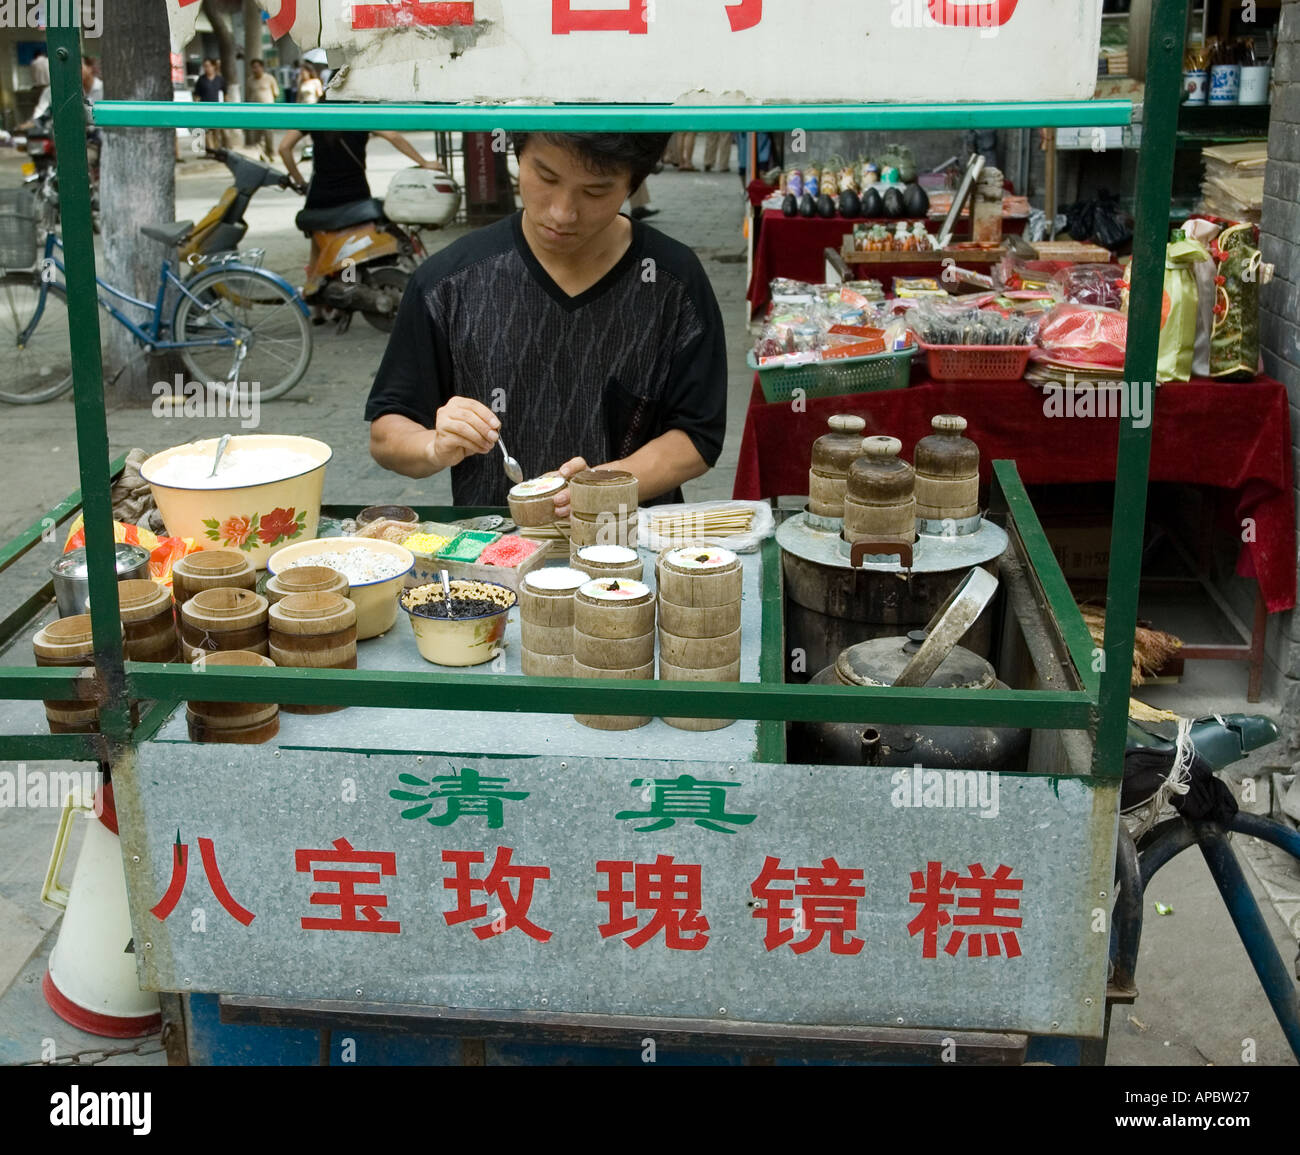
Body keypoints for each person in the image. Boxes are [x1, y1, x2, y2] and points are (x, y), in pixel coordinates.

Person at [364, 132, 727, 512]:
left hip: (629, 548)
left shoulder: (672, 280)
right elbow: (388, 432)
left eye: (595, 192)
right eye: (547, 178)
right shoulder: (448, 282)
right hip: (494, 550)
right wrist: (433, 445)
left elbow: (697, 435)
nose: (562, 213)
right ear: (518, 157)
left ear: (632, 186)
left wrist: (605, 485)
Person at [278, 125, 442, 312]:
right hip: (356, 195)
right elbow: (393, 135)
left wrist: (300, 182)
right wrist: (424, 162)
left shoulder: (315, 111)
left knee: (322, 246)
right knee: (350, 246)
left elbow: (284, 147)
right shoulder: (360, 111)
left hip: (321, 197)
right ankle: (346, 284)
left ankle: (320, 301)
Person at [244, 59, 279, 163]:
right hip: (255, 111)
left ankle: (270, 152)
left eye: (257, 67)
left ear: (262, 67)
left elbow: (275, 93)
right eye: (253, 67)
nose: (255, 69)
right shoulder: (250, 81)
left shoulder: (269, 79)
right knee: (257, 134)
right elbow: (247, 95)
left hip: (268, 111)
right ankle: (261, 154)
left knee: (268, 133)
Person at [193, 58, 226, 149]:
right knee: (206, 130)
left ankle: (217, 148)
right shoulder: (201, 80)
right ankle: (210, 149)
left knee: (216, 130)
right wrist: (196, 107)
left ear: (213, 66)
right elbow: (196, 95)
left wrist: (226, 106)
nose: (207, 68)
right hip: (204, 108)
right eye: (205, 66)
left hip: (217, 108)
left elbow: (226, 93)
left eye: (208, 66)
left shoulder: (219, 79)